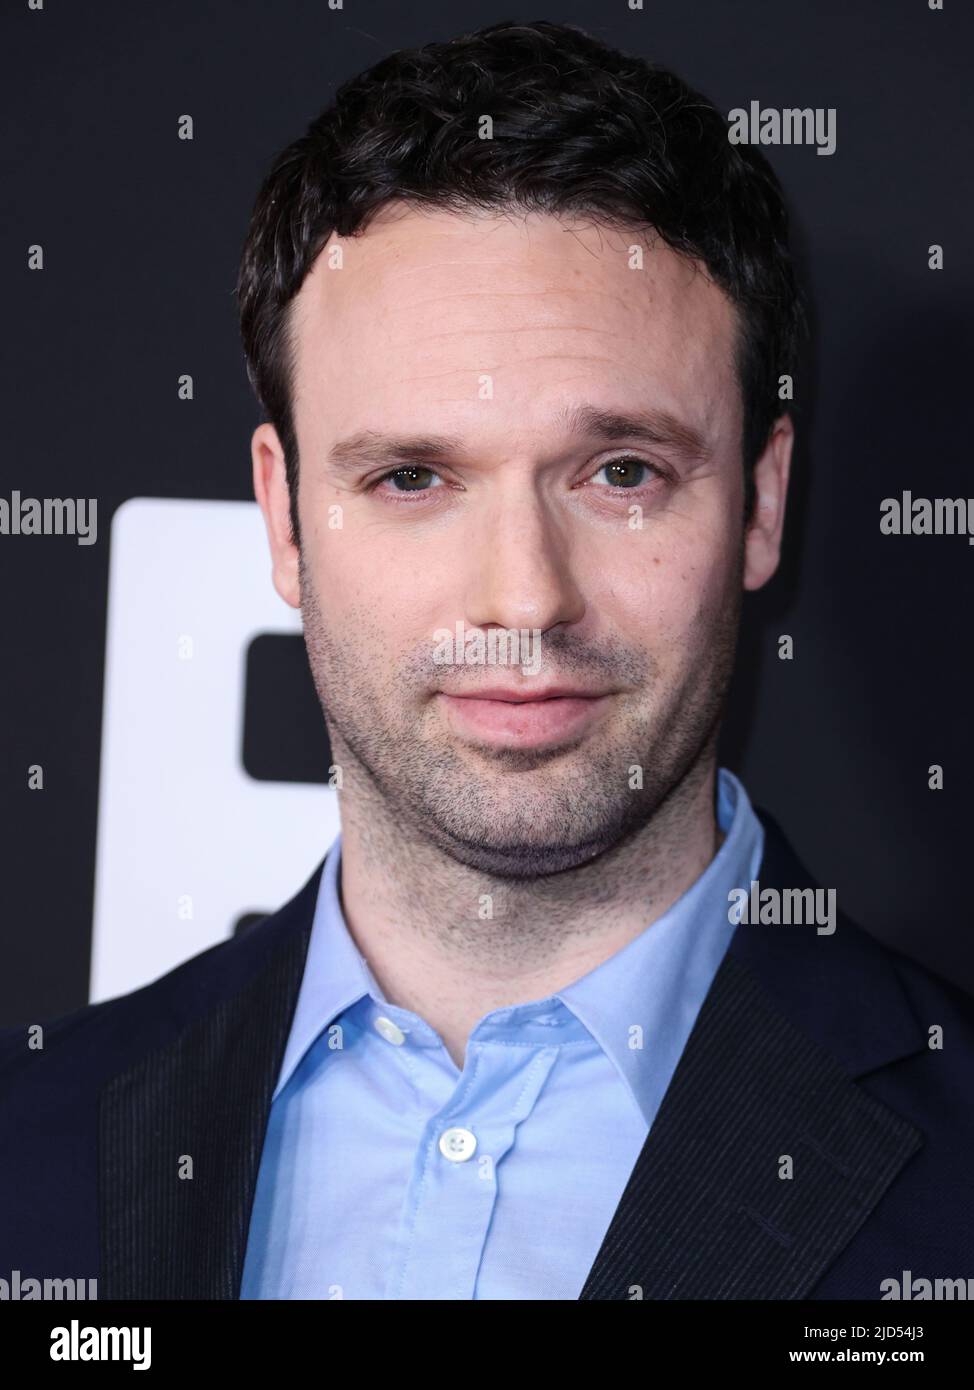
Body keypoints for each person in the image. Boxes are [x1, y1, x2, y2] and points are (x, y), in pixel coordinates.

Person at [2, 19, 972, 1302]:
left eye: (619, 472)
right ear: (284, 518)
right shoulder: (33, 1150)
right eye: (411, 477)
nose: (523, 593)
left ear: (758, 502)